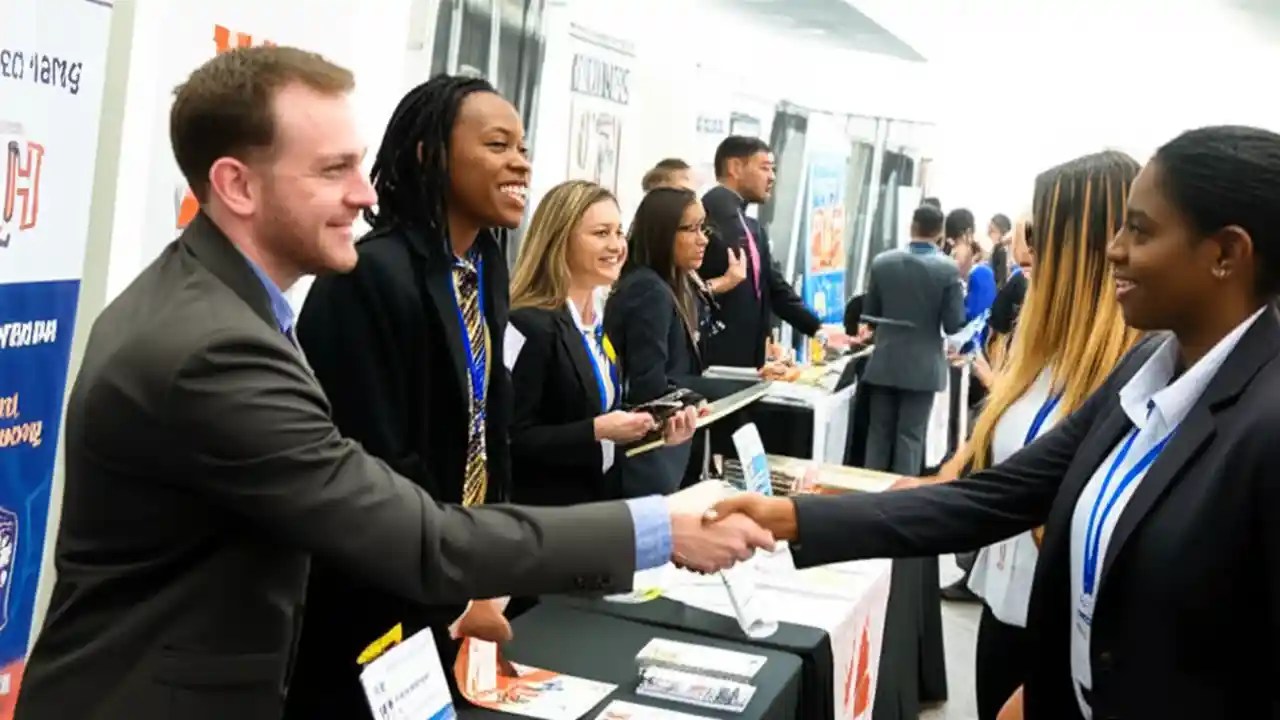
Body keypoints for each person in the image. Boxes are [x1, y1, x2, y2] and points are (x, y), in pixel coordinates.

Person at [14, 48, 774, 720]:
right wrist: (657, 528)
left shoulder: (217, 305)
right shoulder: (212, 347)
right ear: (236, 185)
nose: (366, 194)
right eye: (332, 170)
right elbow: (411, 532)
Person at [713, 125, 1280, 719]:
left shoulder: (1265, 421)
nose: (1114, 250)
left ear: (1226, 254)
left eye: (1138, 231)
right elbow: (996, 497)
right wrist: (792, 517)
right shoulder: (1148, 367)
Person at [905, 151, 1142, 719]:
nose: (1022, 250)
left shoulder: (1136, 367)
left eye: (1036, 232)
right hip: (1003, 606)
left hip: (1067, 637)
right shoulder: (1042, 350)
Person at [506, 179, 698, 505]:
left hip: (597, 503)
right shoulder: (529, 324)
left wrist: (657, 431)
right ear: (560, 240)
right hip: (547, 517)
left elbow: (602, 415)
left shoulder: (594, 324)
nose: (617, 245)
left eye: (619, 232)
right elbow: (512, 439)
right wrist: (597, 430)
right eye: (601, 233)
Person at [605, 187, 718, 496]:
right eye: (690, 229)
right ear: (662, 232)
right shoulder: (649, 289)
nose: (703, 238)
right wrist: (693, 399)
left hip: (664, 453)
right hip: (645, 457)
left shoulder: (672, 286)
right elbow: (647, 383)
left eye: (703, 227)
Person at [699, 136, 848, 368]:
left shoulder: (750, 225)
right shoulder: (710, 217)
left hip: (748, 363)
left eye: (773, 169)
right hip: (714, 362)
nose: (772, 177)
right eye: (764, 168)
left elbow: (772, 286)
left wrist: (816, 328)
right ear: (735, 167)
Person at [860, 203, 967, 475]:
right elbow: (953, 324)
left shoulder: (882, 263)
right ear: (940, 233)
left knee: (878, 436)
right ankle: (899, 506)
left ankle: (866, 503)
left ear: (912, 226)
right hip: (923, 368)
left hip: (884, 362)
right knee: (910, 438)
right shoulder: (948, 270)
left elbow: (870, 314)